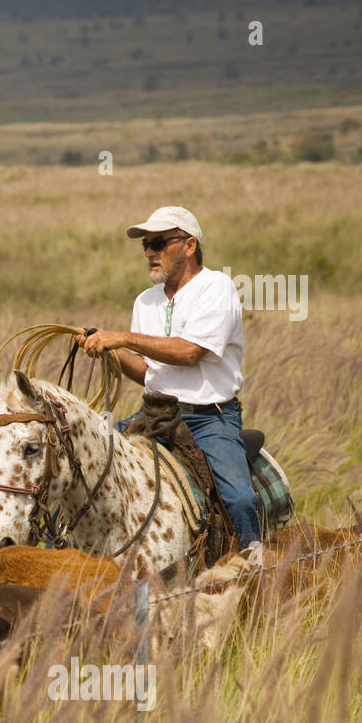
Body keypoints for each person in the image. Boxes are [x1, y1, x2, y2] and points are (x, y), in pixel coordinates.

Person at [80, 205, 262, 550]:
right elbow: (150, 373)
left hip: (210, 419)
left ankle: (255, 564)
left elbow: (189, 353)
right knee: (87, 465)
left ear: (189, 246)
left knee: (239, 499)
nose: (150, 252)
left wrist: (123, 339)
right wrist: (108, 350)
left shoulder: (216, 287)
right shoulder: (145, 301)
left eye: (160, 242)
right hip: (155, 415)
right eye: (146, 245)